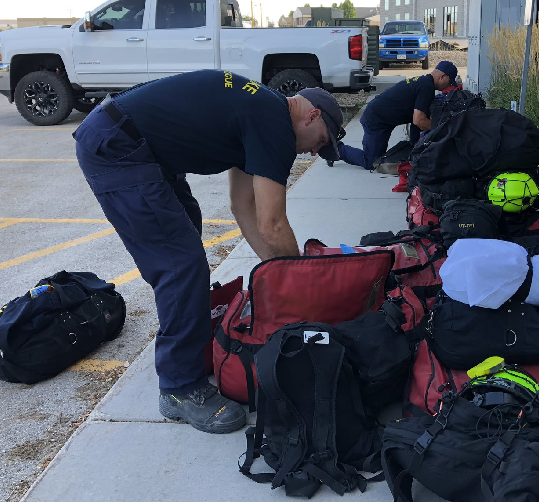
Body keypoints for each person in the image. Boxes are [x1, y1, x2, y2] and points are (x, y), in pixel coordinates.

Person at [72, 70, 345, 434]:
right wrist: (300, 291)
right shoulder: (275, 124)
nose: (313, 151)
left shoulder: (261, 111)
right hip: (117, 148)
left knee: (186, 229)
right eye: (321, 141)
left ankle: (187, 338)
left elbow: (244, 207)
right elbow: (273, 225)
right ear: (312, 116)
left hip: (133, 142)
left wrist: (278, 276)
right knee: (180, 263)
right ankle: (180, 387)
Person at [336, 61, 457, 170]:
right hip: (375, 120)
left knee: (379, 159)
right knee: (371, 162)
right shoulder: (427, 87)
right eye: (450, 82)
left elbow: (416, 119)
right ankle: (336, 150)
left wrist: (415, 146)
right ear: (442, 76)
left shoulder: (424, 82)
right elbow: (419, 120)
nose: (449, 86)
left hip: (384, 120)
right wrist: (439, 129)